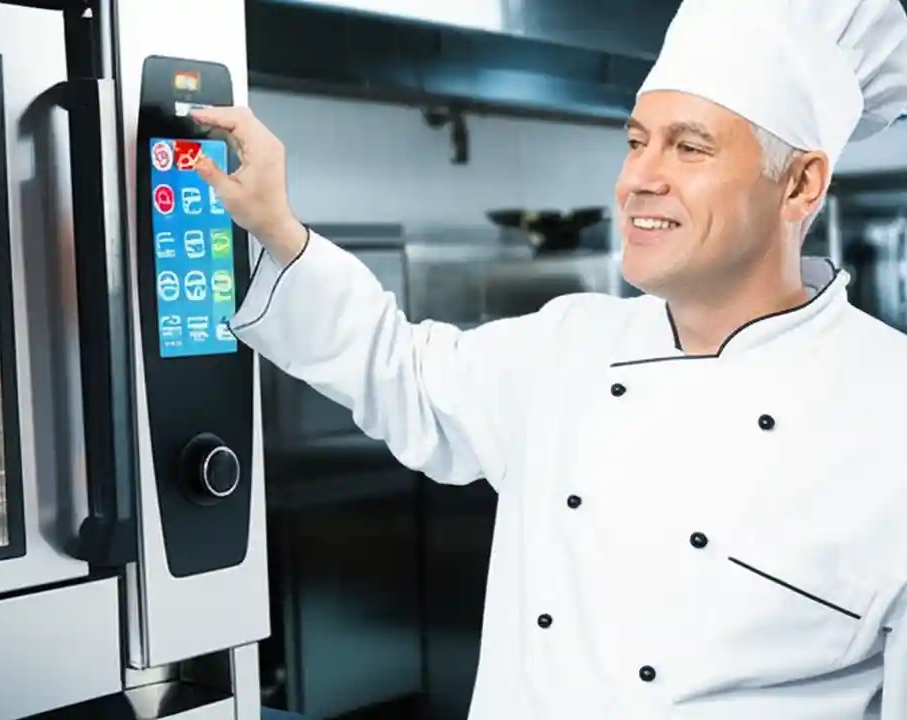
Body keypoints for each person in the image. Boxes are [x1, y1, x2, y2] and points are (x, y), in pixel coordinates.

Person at [190, 0, 907, 717]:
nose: (638, 179)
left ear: (801, 184)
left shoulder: (888, 413)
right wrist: (276, 227)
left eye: (689, 148)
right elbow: (398, 371)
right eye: (636, 141)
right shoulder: (568, 348)